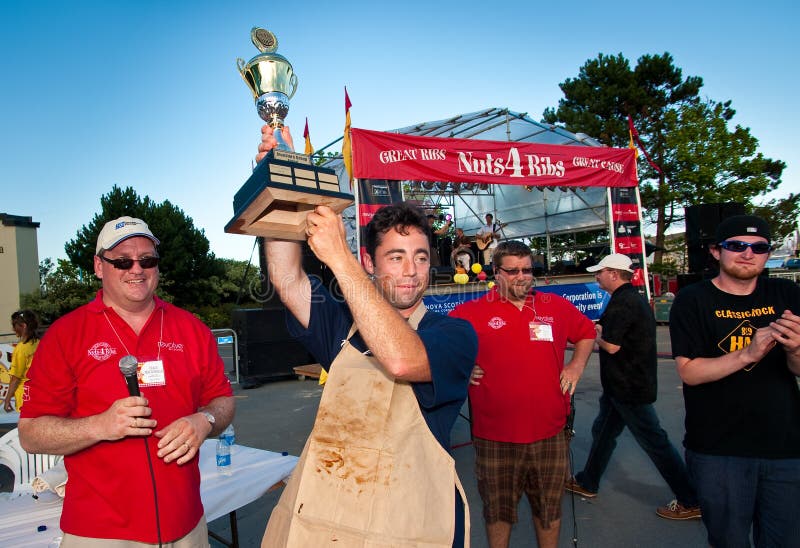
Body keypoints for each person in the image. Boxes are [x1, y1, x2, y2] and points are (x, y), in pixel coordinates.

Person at [256, 125, 477, 547]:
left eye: (420, 257)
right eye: (395, 257)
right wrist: (281, 182)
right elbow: (286, 278)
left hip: (414, 524)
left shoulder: (453, 333)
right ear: (370, 263)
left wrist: (339, 259)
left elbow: (401, 359)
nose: (410, 271)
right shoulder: (340, 324)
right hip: (336, 520)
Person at [18, 216, 234, 547]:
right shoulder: (65, 335)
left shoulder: (191, 329)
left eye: (147, 259)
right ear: (99, 266)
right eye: (122, 261)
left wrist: (204, 420)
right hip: (100, 533)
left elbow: (222, 401)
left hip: (186, 526)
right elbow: (31, 434)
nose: (137, 269)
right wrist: (99, 426)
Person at [450, 240, 596, 548]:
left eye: (527, 270)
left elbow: (586, 333)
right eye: (513, 270)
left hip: (550, 433)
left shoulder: (554, 306)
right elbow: (441, 352)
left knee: (548, 510)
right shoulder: (469, 312)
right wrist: (462, 368)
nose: (522, 276)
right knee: (497, 512)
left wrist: (575, 367)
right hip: (494, 438)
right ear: (495, 272)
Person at [669, 214, 800, 548]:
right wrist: (747, 353)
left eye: (759, 247)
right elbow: (689, 372)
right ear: (716, 252)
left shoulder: (786, 292)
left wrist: (796, 349)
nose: (748, 253)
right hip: (718, 451)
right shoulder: (692, 299)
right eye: (737, 245)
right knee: (729, 541)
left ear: (768, 253)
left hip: (785, 448)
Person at [565, 254, 700, 520]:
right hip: (623, 385)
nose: (597, 276)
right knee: (603, 433)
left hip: (628, 386)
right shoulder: (628, 299)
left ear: (614, 274)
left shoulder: (623, 303)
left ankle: (690, 499)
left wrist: (593, 334)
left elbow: (612, 344)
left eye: (600, 272)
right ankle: (588, 481)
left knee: (654, 441)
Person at [3, 310, 40, 412]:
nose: (13, 329)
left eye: (14, 326)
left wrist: (7, 400)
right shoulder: (40, 343)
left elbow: (15, 378)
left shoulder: (21, 349)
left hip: (26, 397)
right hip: (40, 394)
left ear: (23, 326)